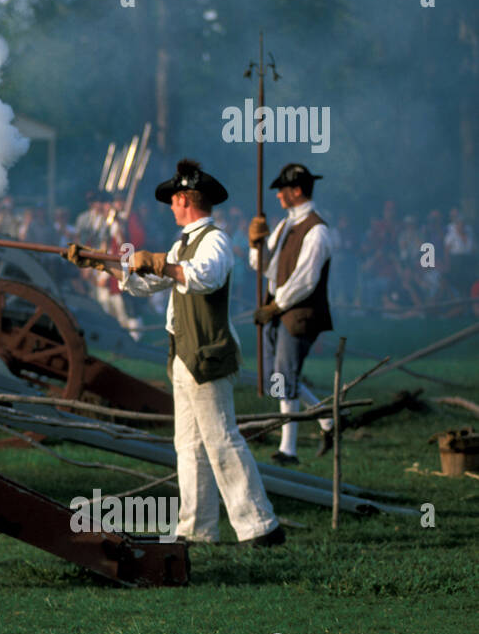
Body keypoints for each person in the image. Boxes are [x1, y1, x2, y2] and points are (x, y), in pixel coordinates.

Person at [63, 158, 283, 547]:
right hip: (183, 355)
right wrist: (100, 261)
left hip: (207, 353)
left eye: (174, 198)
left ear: (185, 199)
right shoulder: (181, 244)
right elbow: (144, 286)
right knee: (189, 446)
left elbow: (204, 277)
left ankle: (259, 527)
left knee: (222, 440)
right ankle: (197, 529)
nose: (170, 205)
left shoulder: (213, 239)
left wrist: (161, 262)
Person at [248, 162, 336, 463]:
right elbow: (265, 267)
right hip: (279, 310)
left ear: (296, 191)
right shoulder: (285, 226)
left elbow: (305, 280)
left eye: (282, 190)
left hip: (299, 314)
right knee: (279, 379)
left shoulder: (318, 231)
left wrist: (275, 305)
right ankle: (329, 420)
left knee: (284, 379)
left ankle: (288, 449)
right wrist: (255, 244)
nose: (277, 196)